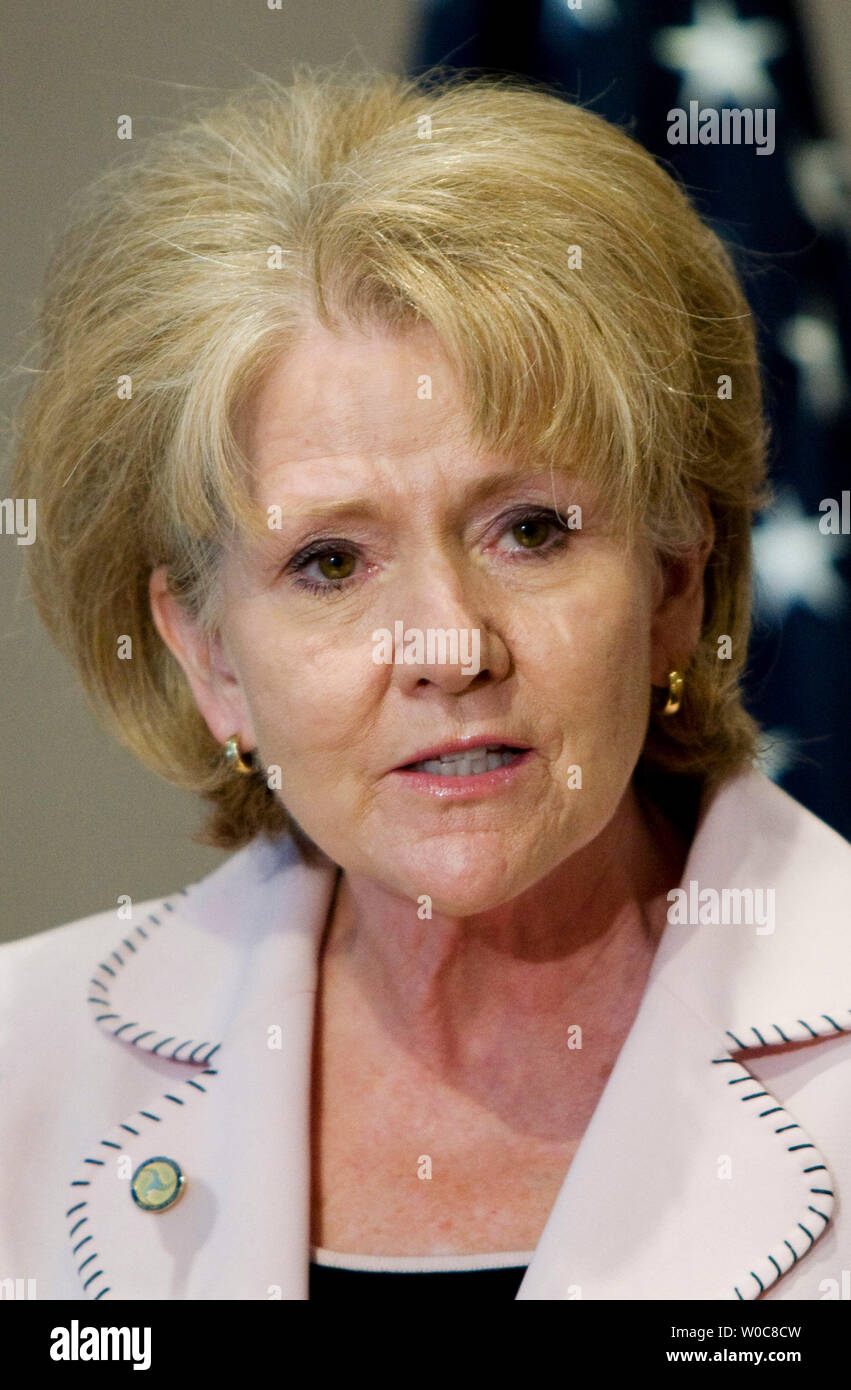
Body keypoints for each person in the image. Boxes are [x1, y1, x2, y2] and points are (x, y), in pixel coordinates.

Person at [2, 66, 850, 1303]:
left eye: (531, 531)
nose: (449, 646)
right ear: (208, 654)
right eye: (329, 561)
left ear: (672, 580)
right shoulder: (20, 1064)